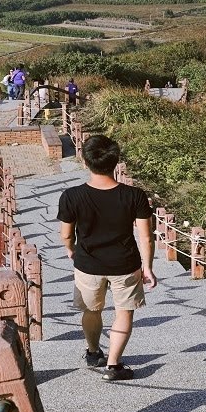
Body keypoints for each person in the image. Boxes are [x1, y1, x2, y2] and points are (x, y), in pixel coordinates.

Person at [57, 135, 156, 381]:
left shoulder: (71, 196)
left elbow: (67, 235)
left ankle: (93, 352)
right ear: (115, 161)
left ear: (85, 161)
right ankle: (113, 366)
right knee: (124, 312)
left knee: (91, 310)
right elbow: (146, 238)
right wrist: (149, 268)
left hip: (88, 264)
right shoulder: (135, 195)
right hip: (125, 264)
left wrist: (72, 250)